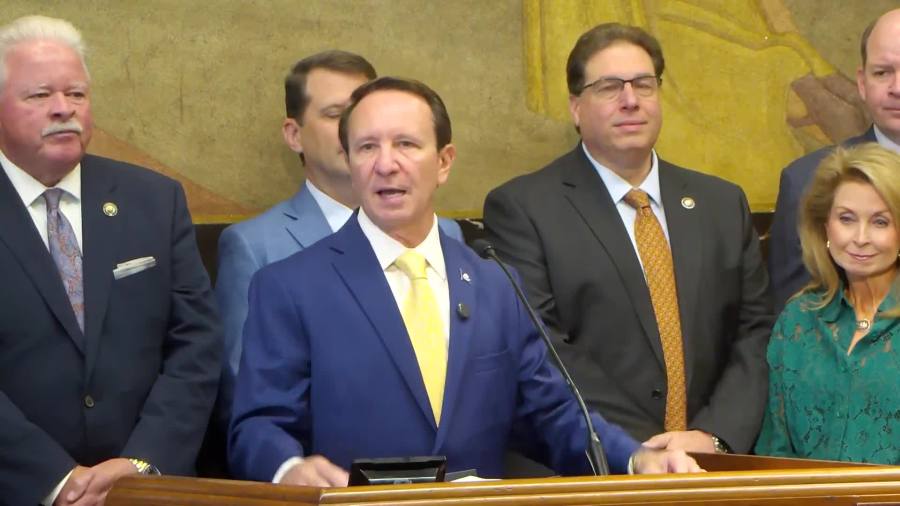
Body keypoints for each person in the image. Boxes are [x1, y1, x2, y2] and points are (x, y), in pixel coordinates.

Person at [228, 76, 701, 486]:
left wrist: (636, 458)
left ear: (445, 162)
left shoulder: (497, 285)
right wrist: (287, 466)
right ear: (351, 162)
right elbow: (258, 424)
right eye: (367, 147)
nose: (385, 164)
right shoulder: (289, 286)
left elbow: (554, 415)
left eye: (406, 145)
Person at [483, 23, 774, 456]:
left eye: (644, 84)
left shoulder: (721, 202)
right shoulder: (523, 208)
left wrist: (715, 434)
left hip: (712, 462)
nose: (631, 100)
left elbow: (756, 332)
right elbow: (544, 348)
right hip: (599, 466)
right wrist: (639, 450)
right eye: (609, 87)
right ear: (576, 106)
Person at [0, 15, 222, 506]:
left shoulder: (154, 200)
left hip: (145, 488)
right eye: (39, 96)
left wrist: (143, 464)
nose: (63, 109)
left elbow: (196, 344)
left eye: (76, 94)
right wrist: (56, 481)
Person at [214, 51, 462, 426]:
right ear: (294, 134)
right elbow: (243, 393)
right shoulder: (255, 246)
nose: (353, 127)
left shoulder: (445, 233)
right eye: (335, 115)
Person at [756, 143, 900, 463]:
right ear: (825, 228)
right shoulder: (799, 319)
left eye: (880, 222)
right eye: (846, 219)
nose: (860, 237)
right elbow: (775, 449)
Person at [769, 8, 900, 311]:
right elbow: (791, 321)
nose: (897, 88)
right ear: (862, 83)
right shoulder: (806, 181)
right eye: (882, 72)